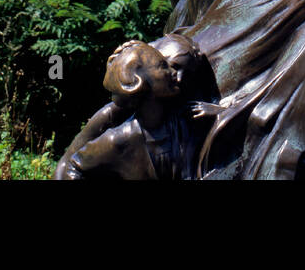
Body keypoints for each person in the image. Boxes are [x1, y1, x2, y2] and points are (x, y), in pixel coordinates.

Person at [53, 40, 198, 180]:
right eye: (163, 66)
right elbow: (72, 166)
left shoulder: (181, 123)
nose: (175, 74)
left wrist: (218, 114)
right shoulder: (116, 138)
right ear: (138, 81)